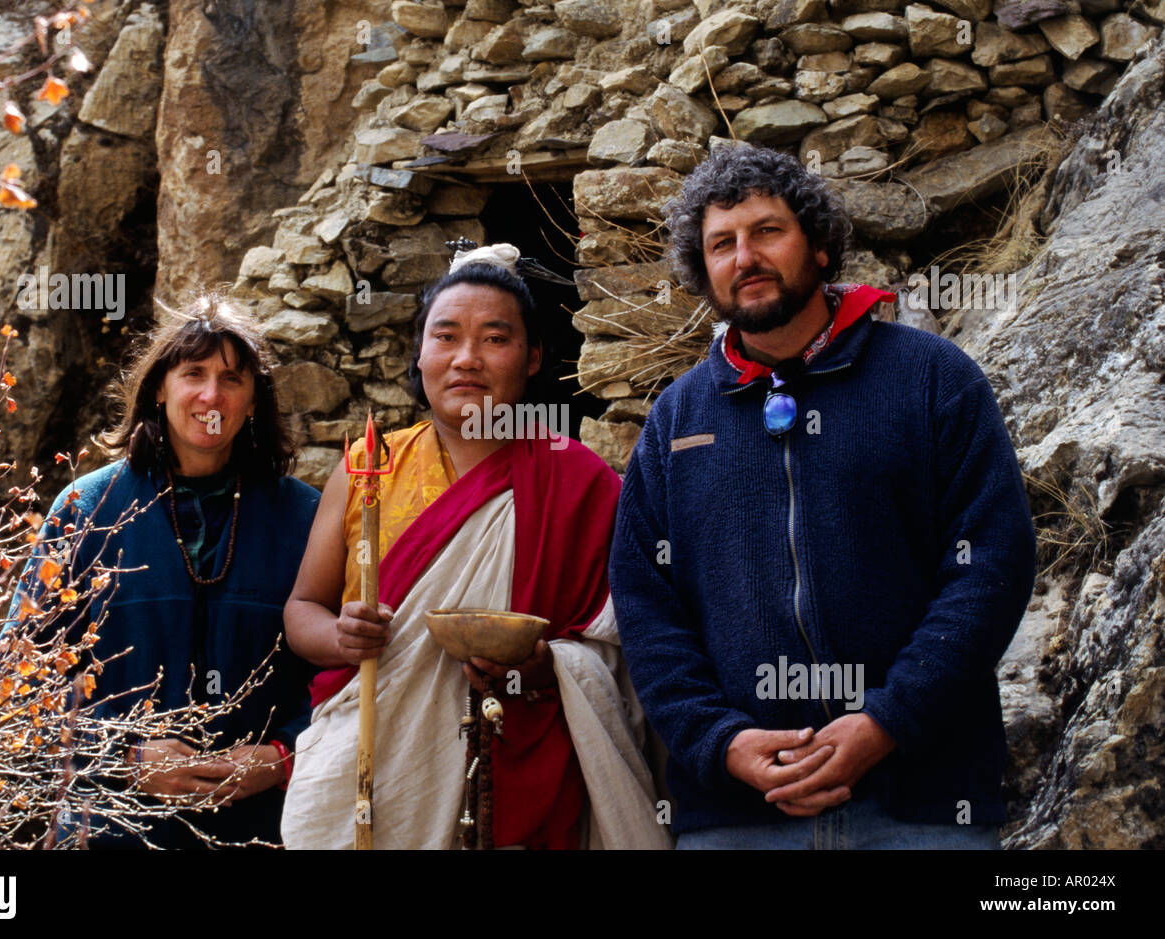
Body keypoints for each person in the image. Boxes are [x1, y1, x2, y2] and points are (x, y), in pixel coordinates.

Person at [609, 145, 1037, 849]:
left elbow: (991, 564)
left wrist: (887, 721)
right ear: (703, 268)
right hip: (740, 817)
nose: (744, 256)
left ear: (819, 246)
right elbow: (646, 603)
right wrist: (722, 741)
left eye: (767, 231)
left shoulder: (932, 379)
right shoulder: (676, 421)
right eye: (722, 243)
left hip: (922, 806)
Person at [279, 245, 670, 849]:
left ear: (534, 357)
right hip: (374, 768)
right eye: (446, 337)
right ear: (420, 354)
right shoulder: (367, 469)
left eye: (495, 339)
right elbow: (303, 608)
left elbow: (633, 644)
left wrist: (551, 669)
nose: (467, 359)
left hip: (526, 767)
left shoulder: (580, 479)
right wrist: (341, 637)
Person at [7, 294, 320, 847]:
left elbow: (344, 675)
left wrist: (284, 756)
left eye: (232, 378)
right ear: (159, 387)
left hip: (264, 831)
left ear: (254, 399)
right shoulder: (88, 510)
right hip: (107, 830)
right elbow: (21, 678)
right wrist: (124, 756)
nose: (210, 395)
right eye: (193, 373)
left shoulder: (305, 518)